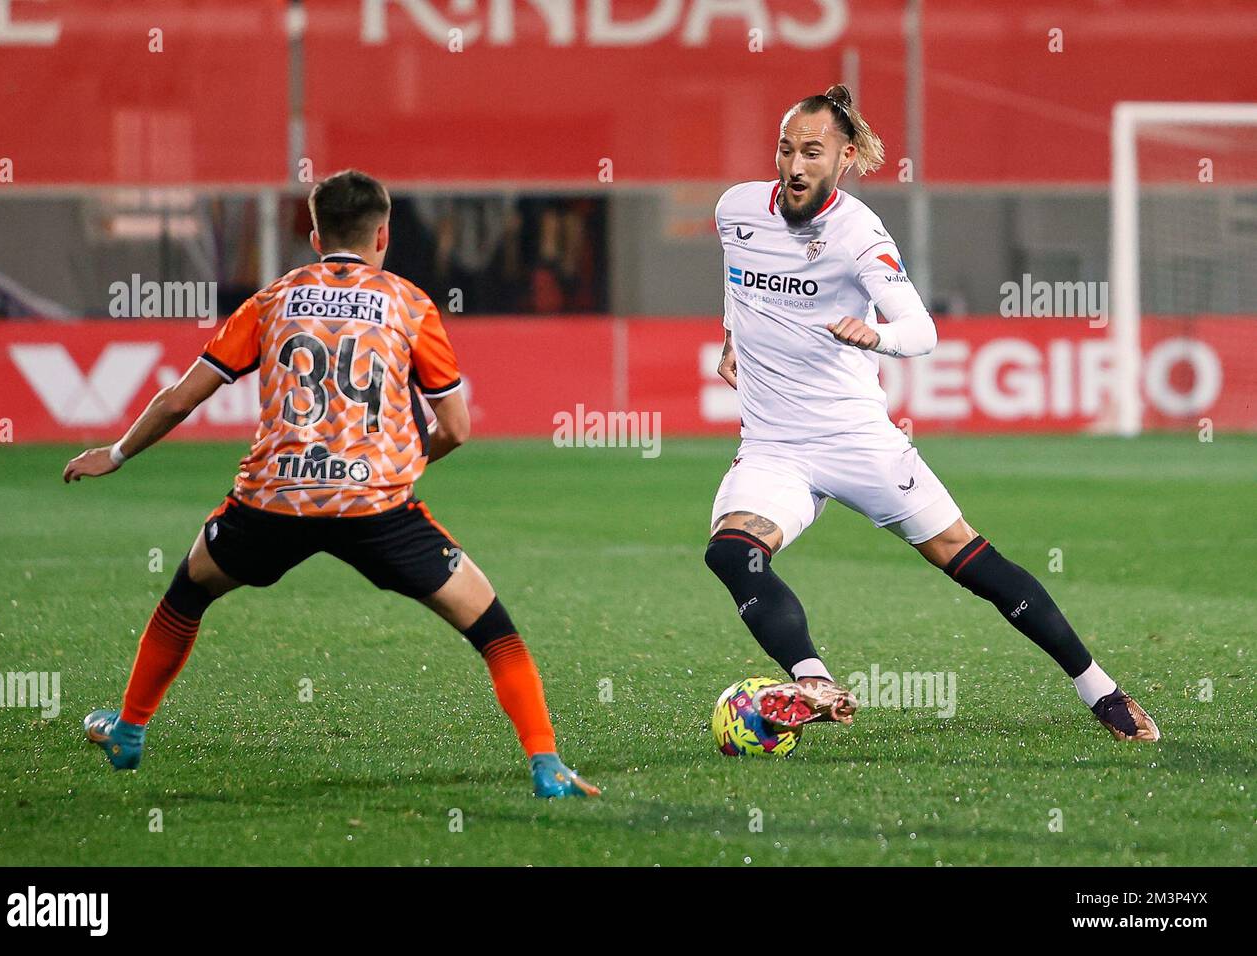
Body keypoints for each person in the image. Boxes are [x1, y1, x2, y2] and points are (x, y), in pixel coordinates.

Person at [63, 169, 600, 796]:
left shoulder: (273, 299)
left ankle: (128, 731)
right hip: (376, 509)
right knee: (493, 630)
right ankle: (545, 764)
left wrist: (120, 452)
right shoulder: (410, 303)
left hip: (271, 503)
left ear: (315, 235)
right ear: (384, 234)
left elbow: (183, 398)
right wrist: (388, 464)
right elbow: (455, 427)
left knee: (188, 594)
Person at [705, 86, 1160, 742]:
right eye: (785, 149)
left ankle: (1101, 690)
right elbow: (740, 273)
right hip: (774, 445)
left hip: (858, 440)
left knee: (968, 559)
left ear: (846, 156)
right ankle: (813, 679)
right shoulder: (736, 209)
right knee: (731, 553)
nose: (795, 165)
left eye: (812, 151)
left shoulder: (857, 232)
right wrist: (729, 333)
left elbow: (921, 331)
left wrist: (875, 337)